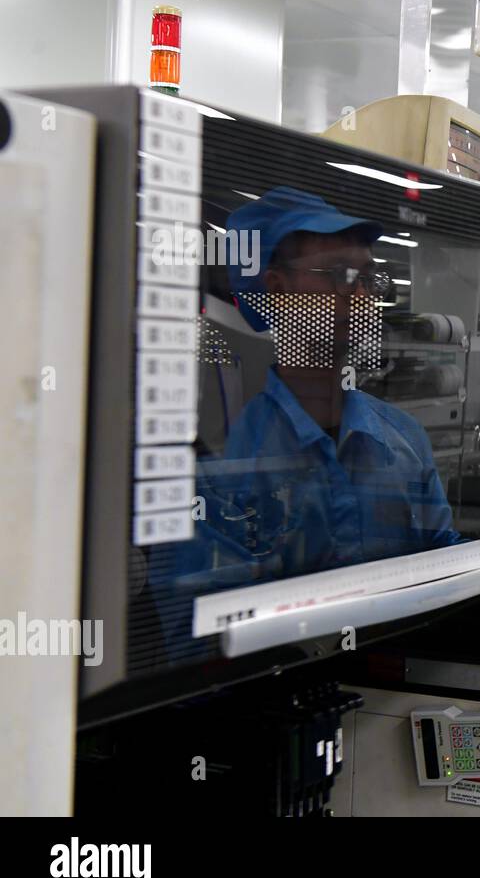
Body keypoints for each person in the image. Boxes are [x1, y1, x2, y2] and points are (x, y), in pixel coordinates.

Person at [165, 188, 460, 608]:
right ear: (278, 289)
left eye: (368, 279)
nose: (360, 296)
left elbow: (449, 572)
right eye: (338, 274)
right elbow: (206, 629)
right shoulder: (228, 457)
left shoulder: (404, 440)